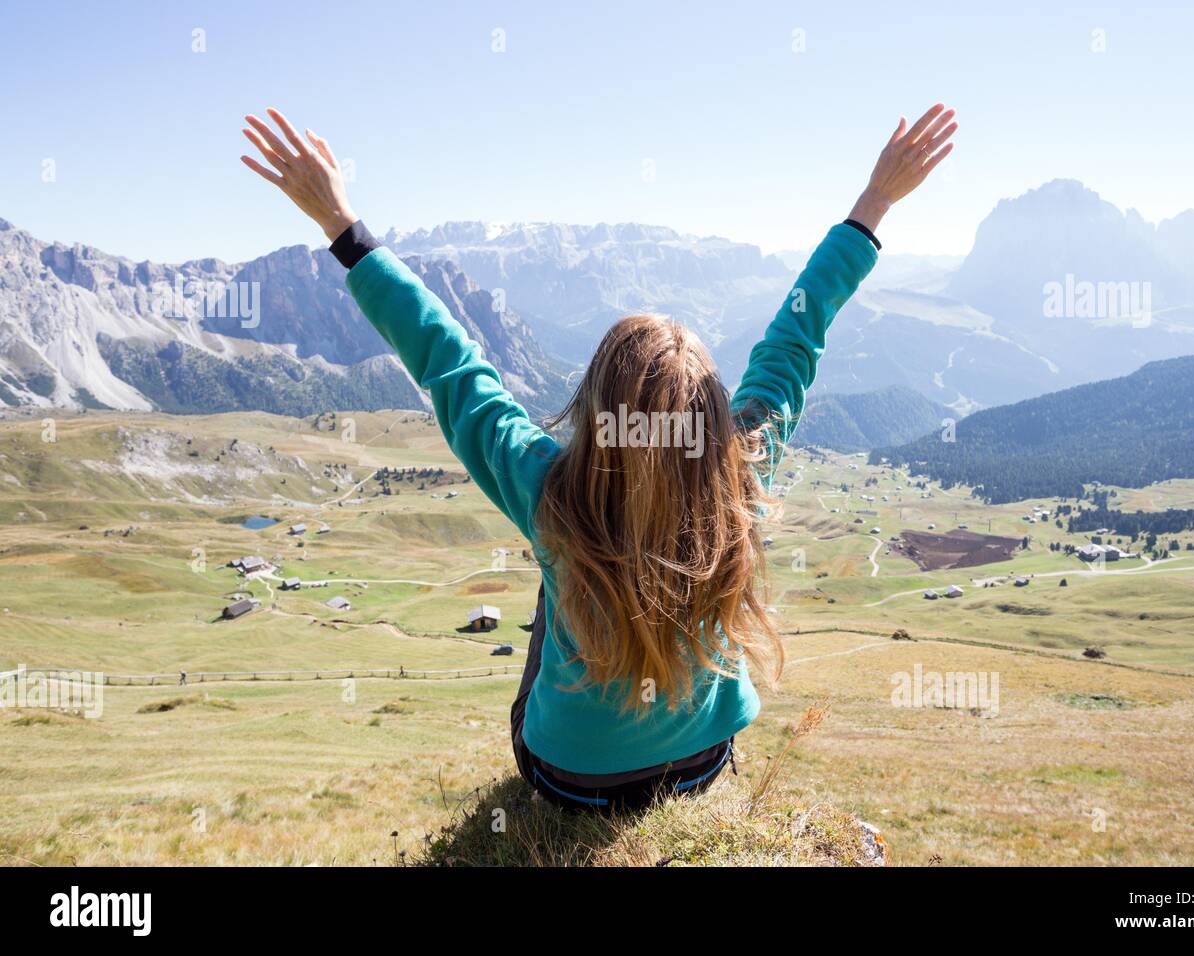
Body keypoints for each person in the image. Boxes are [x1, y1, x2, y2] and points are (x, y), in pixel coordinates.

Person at [241, 104, 956, 810]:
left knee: (558, 585)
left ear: (594, 403)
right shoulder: (740, 473)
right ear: (709, 415)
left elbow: (448, 364)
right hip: (701, 763)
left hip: (569, 781)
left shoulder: (545, 488)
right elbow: (795, 342)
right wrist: (875, 203)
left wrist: (343, 226)